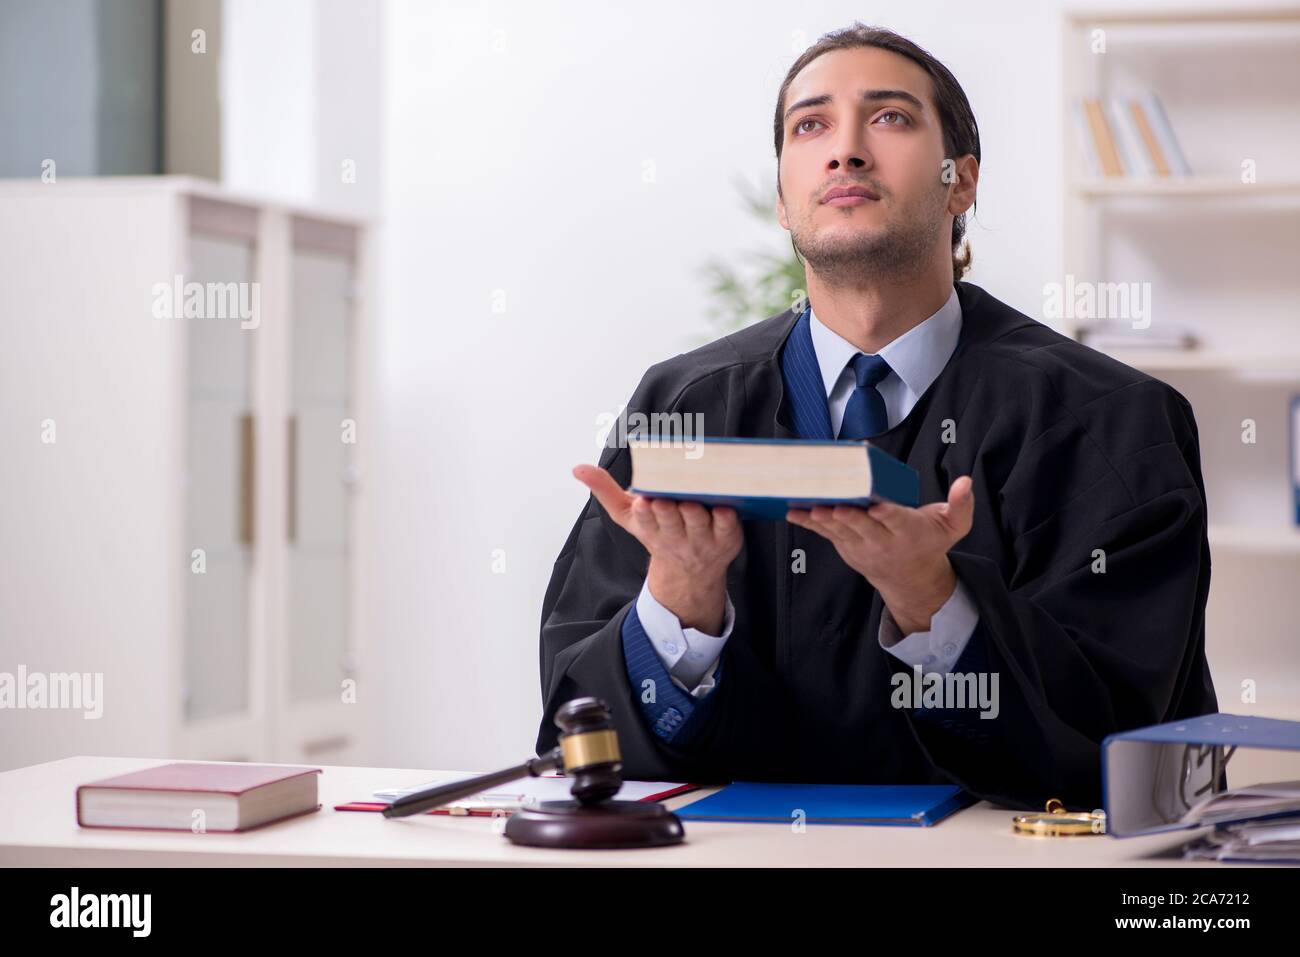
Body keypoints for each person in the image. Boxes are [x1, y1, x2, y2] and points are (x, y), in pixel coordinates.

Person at [536, 23, 1218, 810]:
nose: (846, 150)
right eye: (811, 125)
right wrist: (681, 607)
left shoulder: (1109, 422)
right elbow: (572, 737)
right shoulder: (680, 410)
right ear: (785, 200)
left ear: (959, 182)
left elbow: (1125, 742)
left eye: (890, 118)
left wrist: (934, 602)